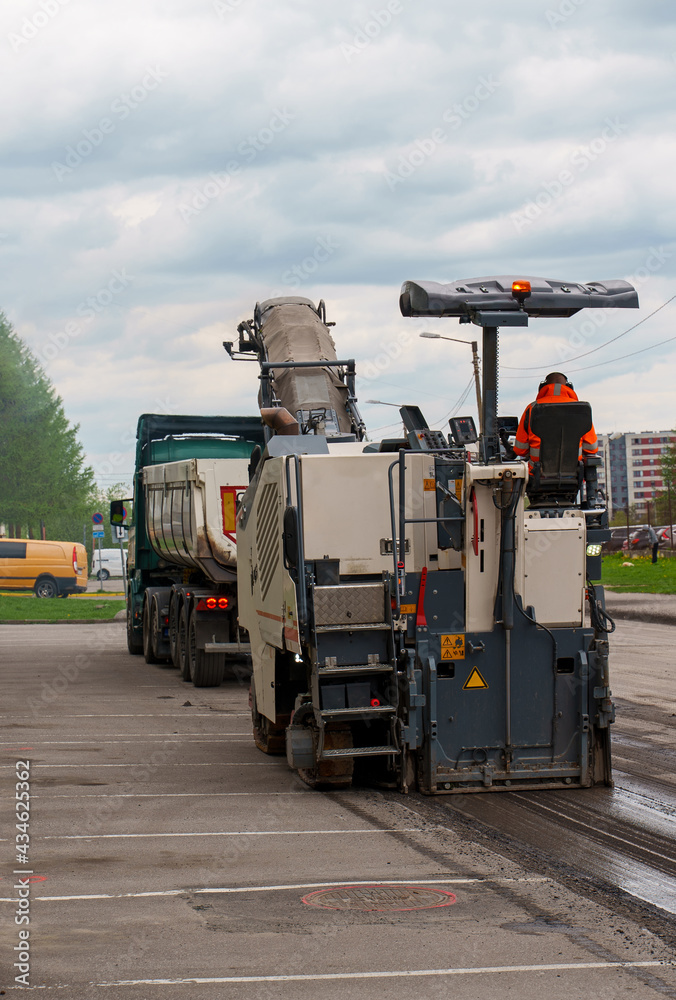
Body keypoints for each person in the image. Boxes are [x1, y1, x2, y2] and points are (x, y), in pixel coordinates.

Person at [513, 372, 598, 471]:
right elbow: (592, 448)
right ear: (570, 388)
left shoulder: (532, 408)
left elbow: (520, 449)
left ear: (542, 387)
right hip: (573, 474)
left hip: (537, 474)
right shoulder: (581, 410)